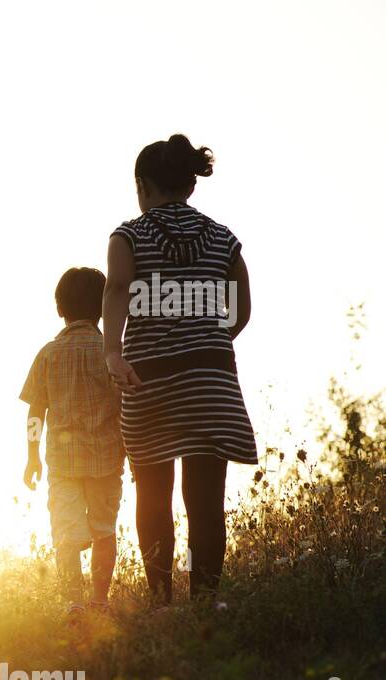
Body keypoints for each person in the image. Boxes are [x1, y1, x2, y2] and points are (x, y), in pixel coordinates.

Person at [102, 134, 257, 604]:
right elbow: (242, 308)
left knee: (152, 492)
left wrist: (113, 352)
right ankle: (206, 603)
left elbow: (115, 291)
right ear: (189, 185)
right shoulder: (222, 237)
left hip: (149, 379)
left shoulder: (128, 235)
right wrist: (210, 338)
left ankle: (161, 601)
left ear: (142, 187)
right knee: (206, 501)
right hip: (211, 384)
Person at [21, 267, 125, 618]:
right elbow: (125, 407)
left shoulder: (48, 354)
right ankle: (100, 600)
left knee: (65, 532)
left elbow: (36, 412)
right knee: (104, 530)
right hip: (107, 460)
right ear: (102, 308)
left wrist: (32, 456)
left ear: (59, 308)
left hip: (63, 464)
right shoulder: (111, 354)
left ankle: (73, 603)